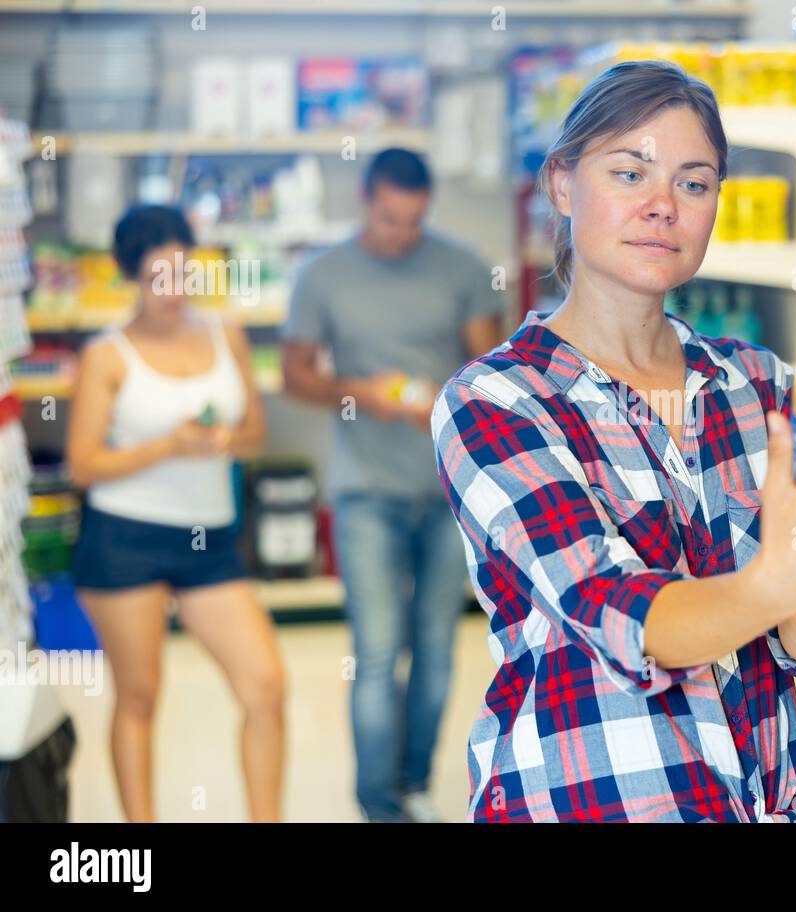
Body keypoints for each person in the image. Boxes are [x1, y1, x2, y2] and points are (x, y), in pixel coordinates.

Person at [433, 60, 796, 823]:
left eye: (693, 183)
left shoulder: (760, 385)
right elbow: (625, 616)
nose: (662, 206)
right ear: (562, 185)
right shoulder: (495, 400)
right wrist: (786, 575)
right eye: (630, 173)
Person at [281, 148, 504, 823]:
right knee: (377, 655)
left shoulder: (463, 267)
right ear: (365, 201)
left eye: (413, 221)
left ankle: (412, 785)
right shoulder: (322, 275)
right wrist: (359, 393)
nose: (400, 234)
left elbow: (487, 372)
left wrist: (447, 396)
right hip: (365, 492)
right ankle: (378, 806)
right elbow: (296, 378)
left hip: (447, 492)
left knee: (437, 650)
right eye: (387, 219)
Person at [67, 204, 285, 823]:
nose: (173, 290)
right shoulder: (108, 355)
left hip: (210, 541)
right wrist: (168, 446)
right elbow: (82, 464)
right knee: (139, 696)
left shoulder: (226, 334)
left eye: (183, 273)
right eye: (158, 276)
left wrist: (224, 442)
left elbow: (255, 431)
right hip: (124, 539)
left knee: (265, 685)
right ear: (130, 277)